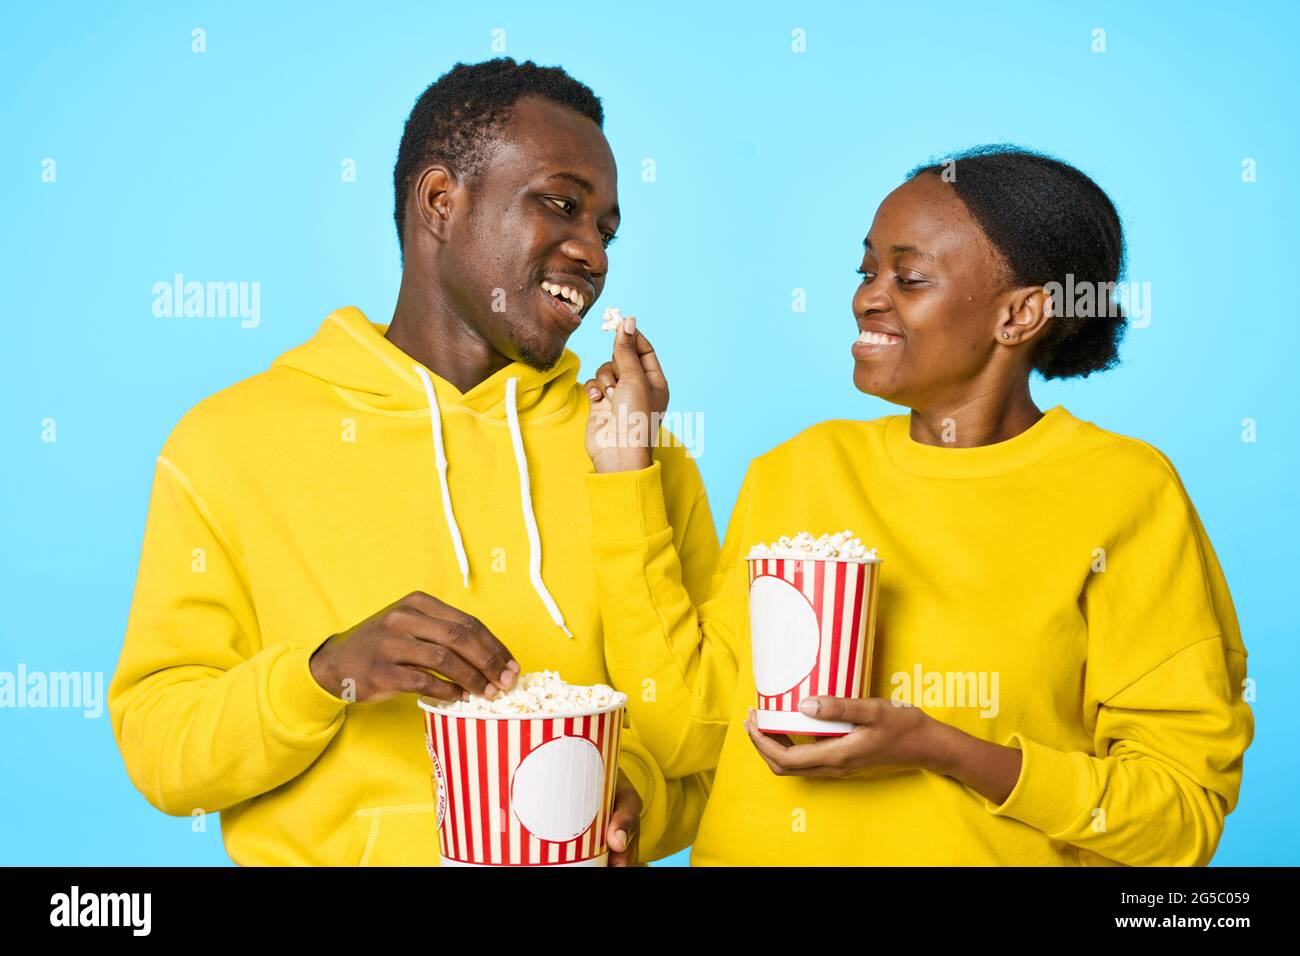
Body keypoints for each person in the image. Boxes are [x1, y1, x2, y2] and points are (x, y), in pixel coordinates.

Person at [108, 58, 718, 867]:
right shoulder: (228, 441)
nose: (593, 253)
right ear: (440, 201)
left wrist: (635, 792)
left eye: (604, 229)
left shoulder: (633, 451)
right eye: (562, 206)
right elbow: (162, 751)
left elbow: (706, 741)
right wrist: (325, 672)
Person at [582, 146, 1254, 866]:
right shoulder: (796, 470)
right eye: (867, 270)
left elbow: (1179, 819)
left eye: (910, 277)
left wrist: (946, 751)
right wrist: (626, 468)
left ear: (1020, 314)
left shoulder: (1125, 492)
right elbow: (692, 728)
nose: (868, 297)